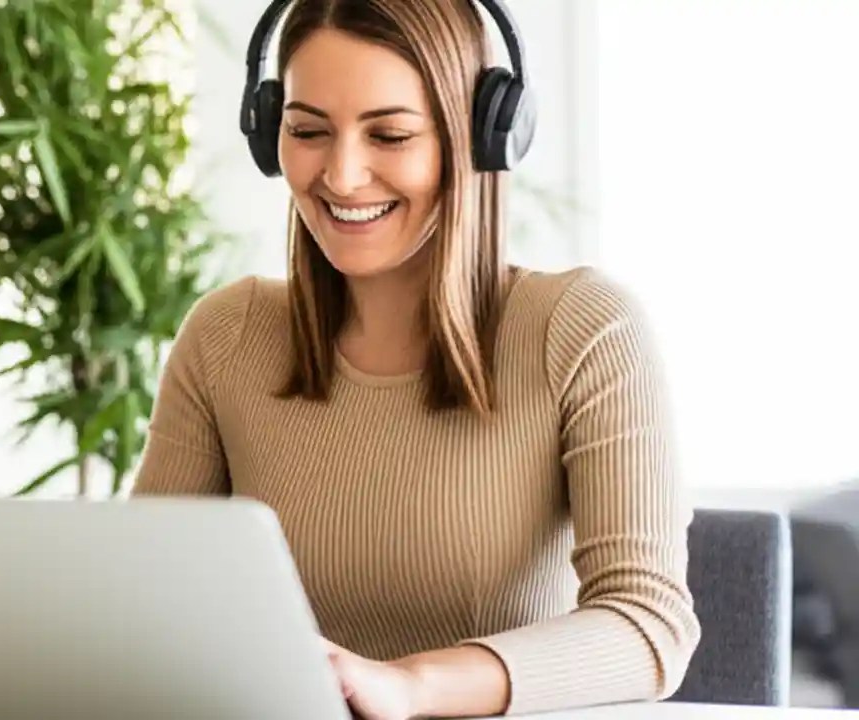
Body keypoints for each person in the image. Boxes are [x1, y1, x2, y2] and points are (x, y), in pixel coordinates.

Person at [130, 0, 701, 717]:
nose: (340, 175)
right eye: (307, 131)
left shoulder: (583, 331)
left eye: (390, 134)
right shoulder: (227, 337)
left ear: (478, 135)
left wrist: (408, 686)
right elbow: (141, 609)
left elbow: (648, 628)